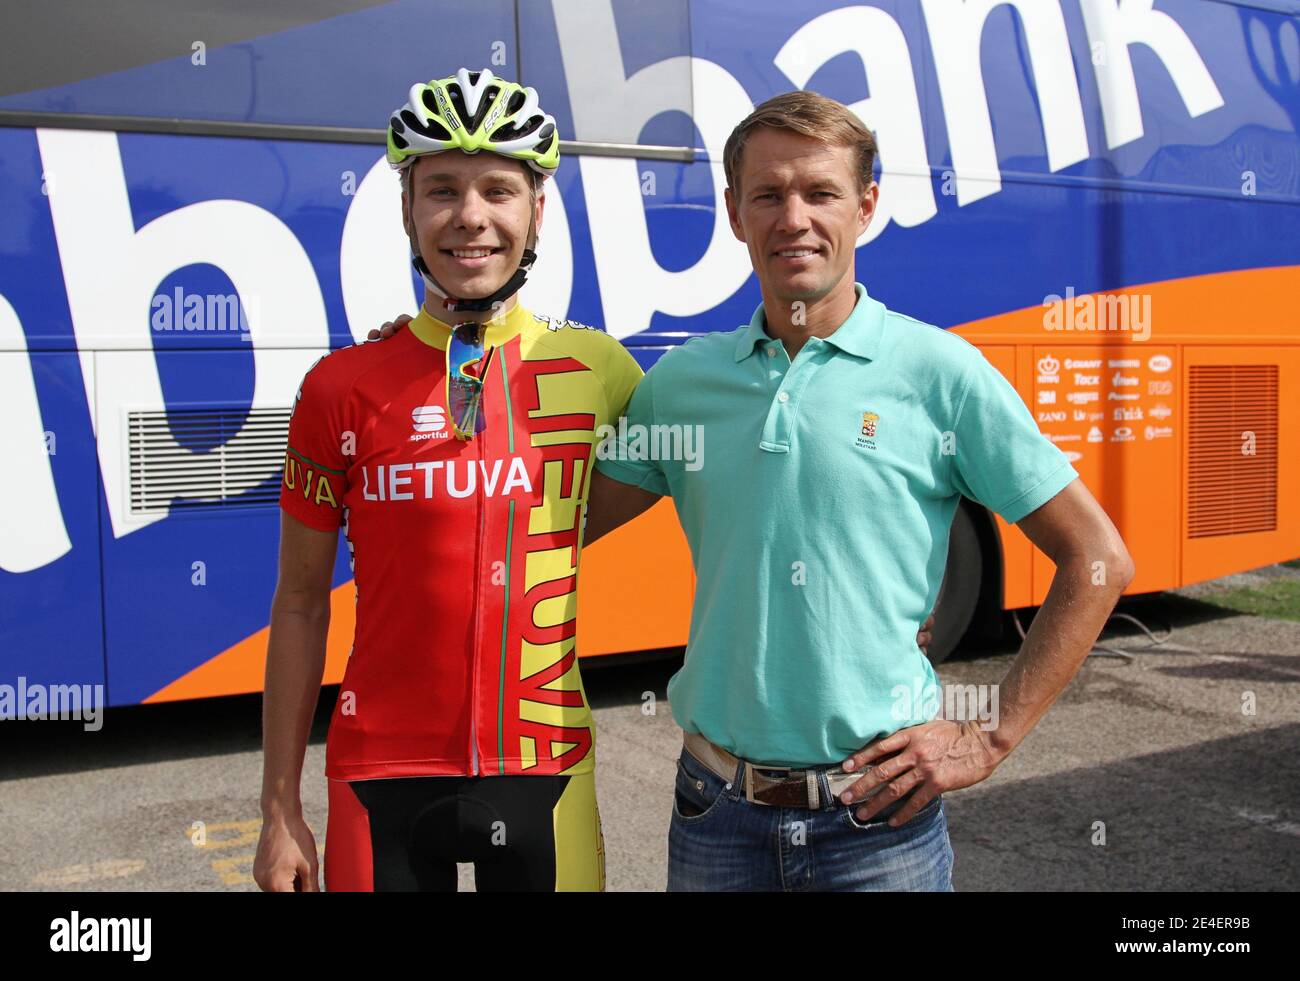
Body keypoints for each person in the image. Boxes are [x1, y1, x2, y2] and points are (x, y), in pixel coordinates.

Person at [582, 90, 1136, 892]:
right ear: (735, 213)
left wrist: (990, 732)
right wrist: (440, 351)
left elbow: (1098, 558)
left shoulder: (939, 375)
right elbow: (550, 528)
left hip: (878, 826)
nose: (793, 217)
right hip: (714, 813)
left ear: (866, 206)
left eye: (820, 192)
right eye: (767, 194)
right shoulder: (683, 385)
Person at [252, 68, 645, 892]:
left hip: (543, 764)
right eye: (441, 191)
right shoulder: (340, 385)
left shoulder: (599, 369)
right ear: (406, 210)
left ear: (536, 210)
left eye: (499, 190)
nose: (470, 217)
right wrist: (278, 806)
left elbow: (726, 491)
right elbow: (299, 601)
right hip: (379, 774)